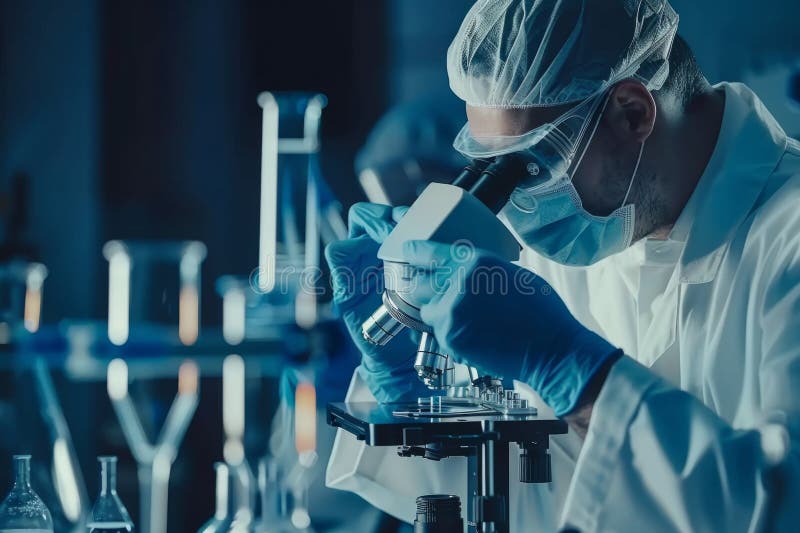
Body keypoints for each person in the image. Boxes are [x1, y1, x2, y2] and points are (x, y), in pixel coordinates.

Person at [323, 0, 800, 531]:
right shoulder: (583, 238)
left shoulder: (789, 237)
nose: (516, 206)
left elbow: (782, 506)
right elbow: (558, 493)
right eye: (488, 167)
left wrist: (580, 373)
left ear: (633, 112)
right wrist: (424, 400)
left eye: (530, 165)